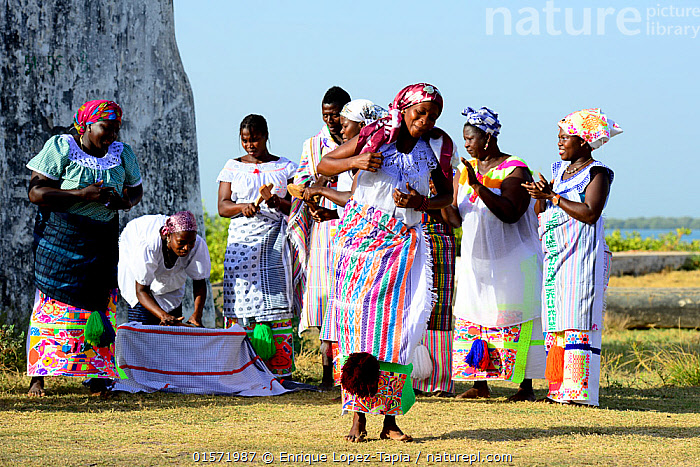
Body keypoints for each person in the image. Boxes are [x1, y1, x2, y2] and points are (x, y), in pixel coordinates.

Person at [317, 83, 454, 442]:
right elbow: (325, 163)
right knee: (358, 330)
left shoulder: (428, 153)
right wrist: (357, 161)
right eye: (419, 113)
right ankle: (357, 417)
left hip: (403, 251)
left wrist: (418, 203)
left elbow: (446, 196)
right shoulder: (375, 136)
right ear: (403, 109)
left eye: (432, 116)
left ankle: (389, 420)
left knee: (397, 332)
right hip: (362, 247)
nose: (425, 121)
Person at [26, 99, 143, 396]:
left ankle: (99, 375)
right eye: (106, 127)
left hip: (102, 242)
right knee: (52, 308)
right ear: (86, 125)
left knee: (101, 307)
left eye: (116, 128)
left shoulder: (121, 154)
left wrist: (124, 202)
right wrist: (81, 194)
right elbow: (36, 192)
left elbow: (136, 190)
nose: (111, 135)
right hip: (61, 241)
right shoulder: (62, 147)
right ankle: (40, 375)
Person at [441, 107, 545, 401]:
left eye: (471, 139)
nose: (467, 145)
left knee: (516, 317)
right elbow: (455, 219)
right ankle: (479, 382)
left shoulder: (515, 169)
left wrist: (478, 185)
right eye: (464, 139)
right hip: (478, 264)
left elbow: (511, 213)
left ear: (487, 138)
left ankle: (525, 386)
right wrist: (441, 190)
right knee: (476, 318)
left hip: (513, 262)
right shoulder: (465, 171)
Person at [523, 108, 621, 406]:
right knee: (557, 322)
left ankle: (577, 392)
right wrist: (542, 198)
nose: (560, 142)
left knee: (578, 320)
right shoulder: (557, 172)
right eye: (559, 137)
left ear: (584, 140)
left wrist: (553, 197)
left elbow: (590, 213)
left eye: (565, 137)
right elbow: (544, 212)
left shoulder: (597, 173)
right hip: (556, 258)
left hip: (583, 260)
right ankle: (557, 389)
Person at [217, 114, 298, 377]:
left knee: (275, 298)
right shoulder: (232, 167)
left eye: (255, 140)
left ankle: (279, 369)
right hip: (242, 243)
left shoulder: (285, 167)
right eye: (245, 140)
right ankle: (243, 368)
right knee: (241, 298)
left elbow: (298, 205)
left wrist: (276, 203)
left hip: (274, 239)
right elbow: (223, 206)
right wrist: (244, 207)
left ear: (266, 136)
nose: (250, 145)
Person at [287, 86, 351, 388]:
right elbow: (299, 183)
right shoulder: (313, 145)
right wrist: (312, 198)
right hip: (325, 229)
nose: (331, 121)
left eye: (336, 114)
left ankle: (349, 372)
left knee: (350, 300)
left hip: (356, 228)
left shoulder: (361, 141)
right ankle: (328, 373)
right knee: (327, 298)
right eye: (326, 115)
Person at [118, 211, 211, 327]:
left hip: (170, 287)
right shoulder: (149, 245)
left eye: (191, 243)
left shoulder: (197, 245)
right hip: (140, 284)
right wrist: (163, 315)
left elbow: (199, 281)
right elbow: (141, 291)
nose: (187, 248)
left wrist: (196, 315)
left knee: (171, 331)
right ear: (168, 236)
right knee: (143, 332)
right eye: (181, 243)